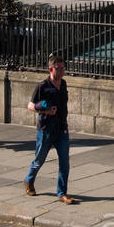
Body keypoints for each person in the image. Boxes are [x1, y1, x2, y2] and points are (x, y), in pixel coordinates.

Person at [25, 54, 75, 204]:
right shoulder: (43, 86)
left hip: (62, 129)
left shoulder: (64, 84)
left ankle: (62, 193)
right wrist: (45, 111)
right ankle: (29, 180)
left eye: (63, 68)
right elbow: (30, 106)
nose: (61, 72)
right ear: (50, 69)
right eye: (58, 69)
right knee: (39, 160)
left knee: (64, 162)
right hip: (46, 129)